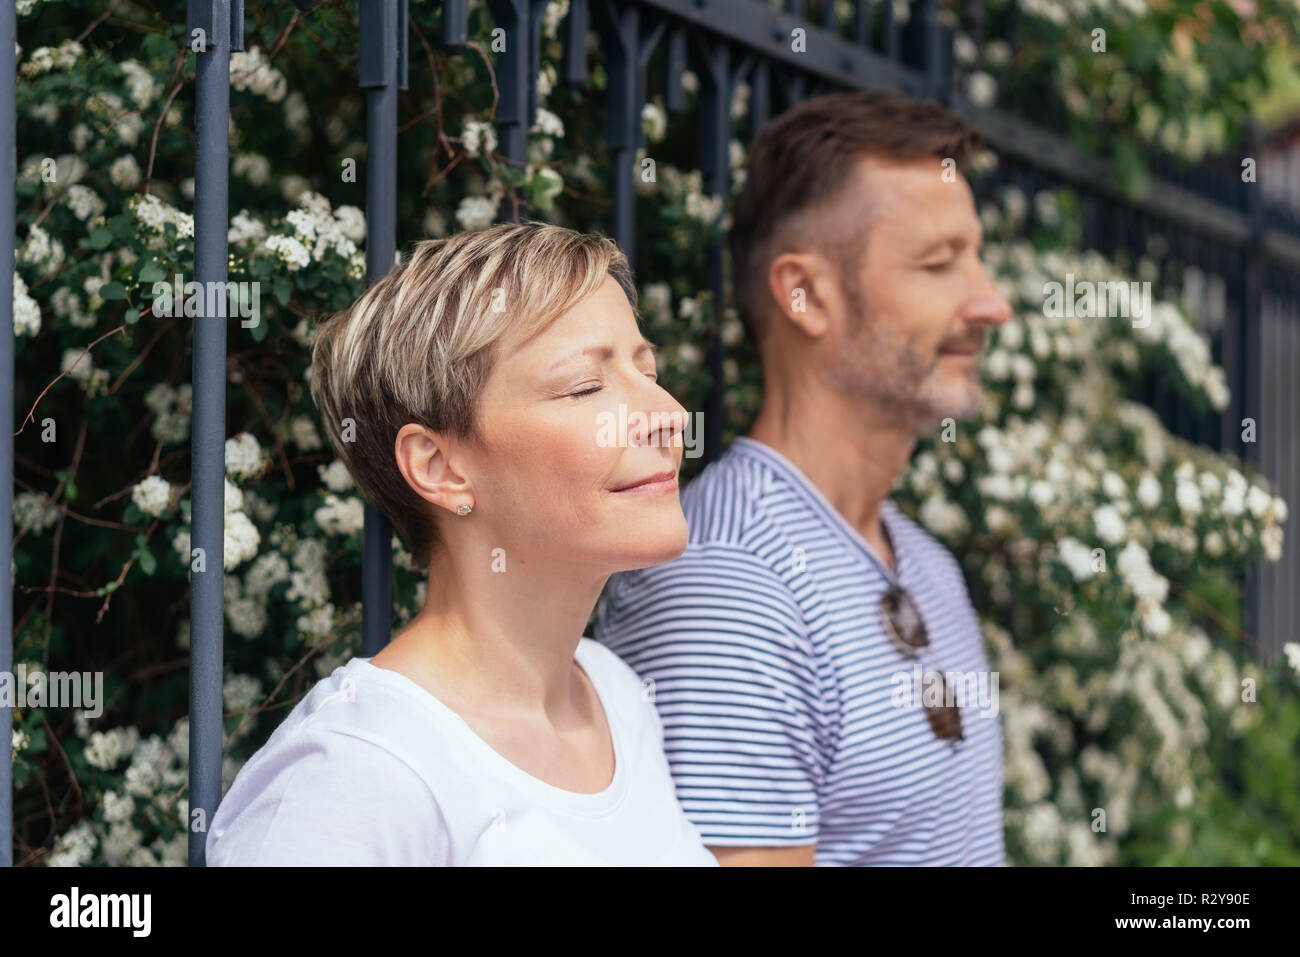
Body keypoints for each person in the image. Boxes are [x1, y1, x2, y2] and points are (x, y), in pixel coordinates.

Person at [206, 222, 718, 866]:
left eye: (649, 371)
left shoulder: (615, 696)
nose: (669, 412)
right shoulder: (355, 776)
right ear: (440, 467)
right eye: (586, 387)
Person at [593, 89, 1014, 866]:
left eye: (977, 258)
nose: (992, 302)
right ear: (805, 294)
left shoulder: (926, 562)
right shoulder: (727, 583)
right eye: (939, 263)